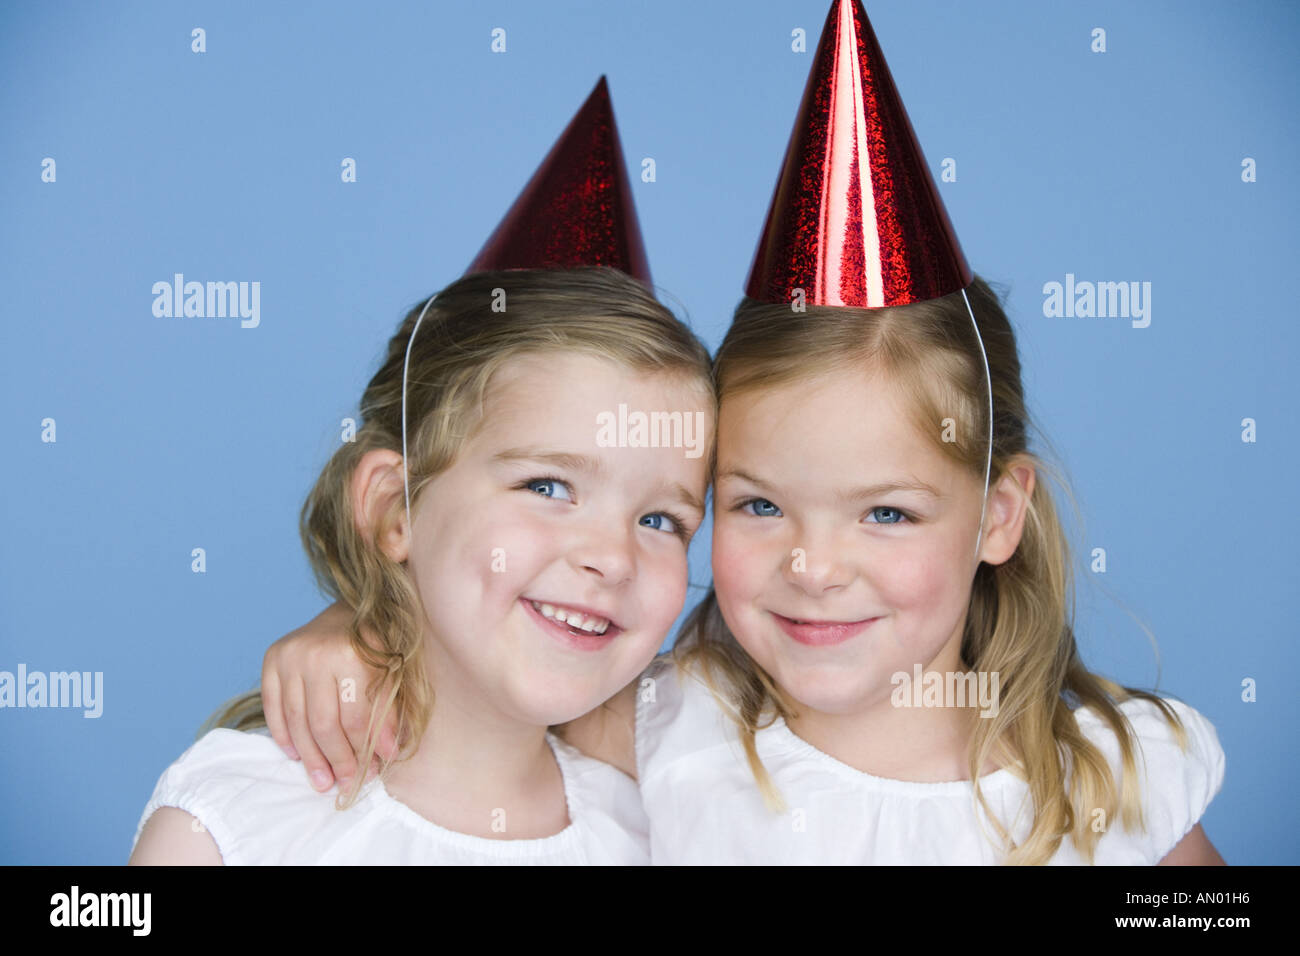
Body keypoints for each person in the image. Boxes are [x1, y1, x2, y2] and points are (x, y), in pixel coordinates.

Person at [255, 1, 1226, 864]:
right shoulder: (661, 728)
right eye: (758, 502)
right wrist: (359, 626)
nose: (812, 564)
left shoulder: (1112, 776)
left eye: (885, 511)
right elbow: (478, 676)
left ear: (998, 514)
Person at [128, 79, 716, 865]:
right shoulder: (239, 820)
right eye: (548, 486)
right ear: (395, 509)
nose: (612, 556)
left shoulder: (662, 823)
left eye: (660, 520)